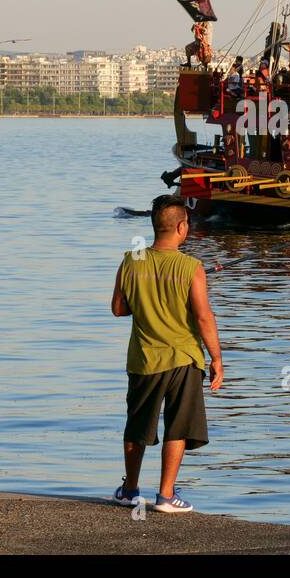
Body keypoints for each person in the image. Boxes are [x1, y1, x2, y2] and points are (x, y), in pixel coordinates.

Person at [111, 195, 223, 514]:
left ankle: (130, 490)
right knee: (178, 426)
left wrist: (146, 302)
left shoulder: (132, 259)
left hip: (144, 359)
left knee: (137, 425)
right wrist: (216, 359)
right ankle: (165, 495)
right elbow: (203, 317)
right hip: (185, 359)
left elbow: (118, 308)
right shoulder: (192, 268)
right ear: (181, 227)